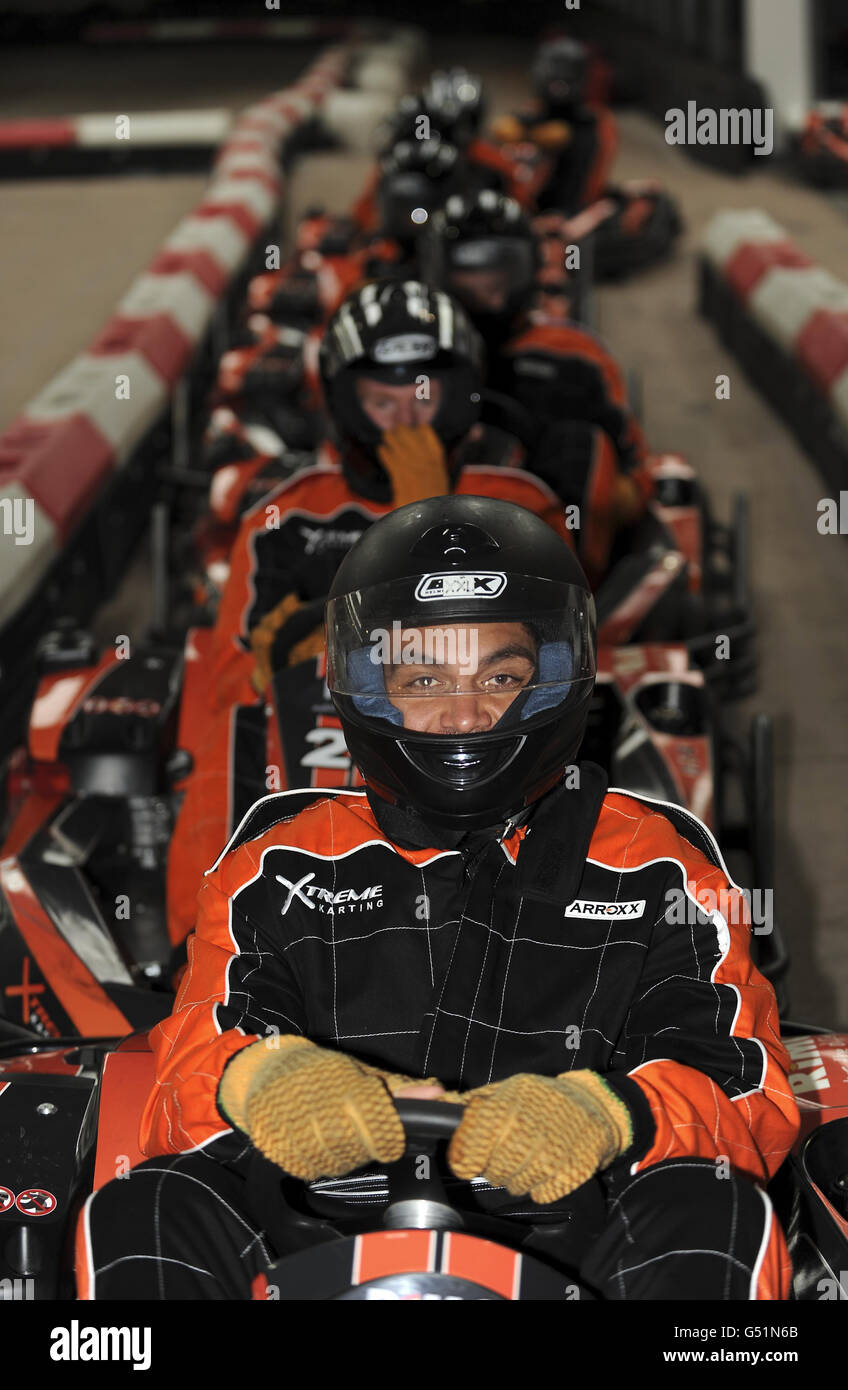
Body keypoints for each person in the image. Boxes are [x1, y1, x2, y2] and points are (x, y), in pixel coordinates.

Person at [78, 496, 799, 1300]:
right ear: (366, 690)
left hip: (576, 1258)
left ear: (557, 679)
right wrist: (264, 1082)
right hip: (310, 1249)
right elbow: (185, 1073)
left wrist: (608, 1116)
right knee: (146, 1204)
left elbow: (743, 1090)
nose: (463, 716)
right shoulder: (278, 863)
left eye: (499, 675)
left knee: (713, 1206)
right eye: (424, 678)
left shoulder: (661, 866)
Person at [165, 279, 572, 945]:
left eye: (422, 396)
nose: (404, 421)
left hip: (480, 711)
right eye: (382, 400)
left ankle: (548, 932)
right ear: (345, 401)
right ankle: (206, 948)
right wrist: (309, 654)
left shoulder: (519, 503)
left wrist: (426, 509)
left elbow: (558, 652)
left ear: (458, 390)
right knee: (230, 735)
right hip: (321, 723)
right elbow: (238, 682)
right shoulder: (287, 515)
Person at [421, 190, 653, 576]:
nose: (486, 287)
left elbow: (636, 474)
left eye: (500, 268)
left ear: (529, 269)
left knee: (582, 443)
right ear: (439, 271)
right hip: (425, 514)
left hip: (542, 537)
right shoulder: (413, 356)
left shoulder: (575, 354)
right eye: (470, 269)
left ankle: (573, 594)